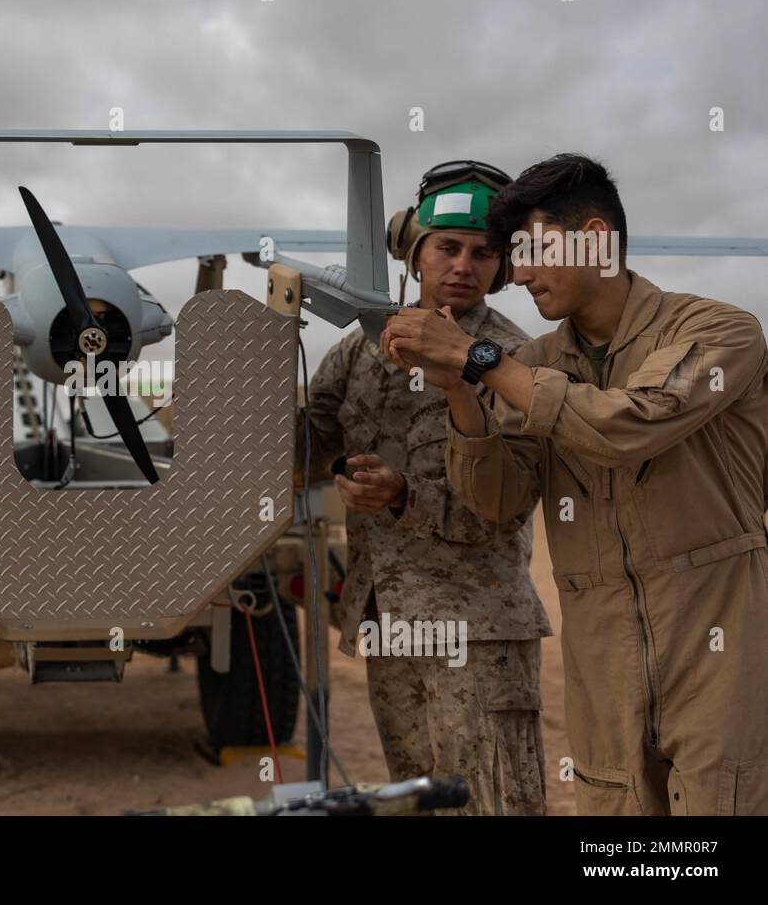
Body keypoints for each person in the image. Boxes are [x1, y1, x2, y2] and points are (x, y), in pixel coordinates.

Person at [383, 153, 768, 815]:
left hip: (717, 646)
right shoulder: (532, 363)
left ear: (594, 239)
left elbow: (632, 425)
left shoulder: (717, 330)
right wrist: (460, 394)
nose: (519, 272)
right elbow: (499, 499)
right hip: (603, 661)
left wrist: (476, 360)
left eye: (530, 249)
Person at [303, 161, 551, 814]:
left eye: (483, 254)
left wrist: (401, 495)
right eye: (448, 248)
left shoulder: (513, 362)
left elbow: (503, 510)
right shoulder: (360, 349)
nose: (464, 266)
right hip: (389, 623)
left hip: (478, 633)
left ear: (501, 267)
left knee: (495, 804)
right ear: (416, 256)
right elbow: (306, 447)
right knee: (418, 801)